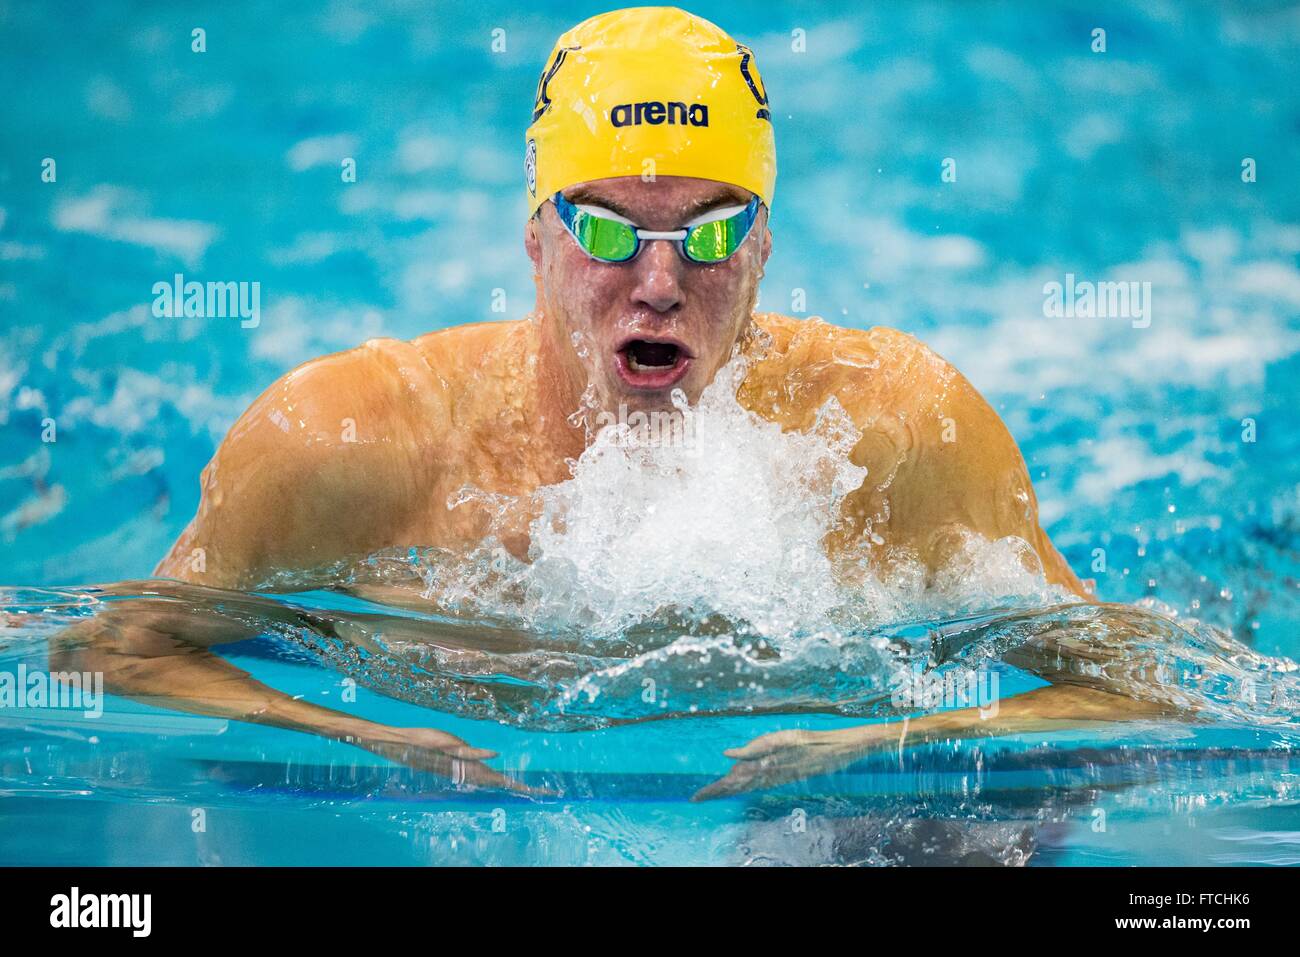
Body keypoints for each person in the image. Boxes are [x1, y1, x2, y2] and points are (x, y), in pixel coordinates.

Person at [52, 7, 1171, 800]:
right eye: (602, 230)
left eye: (712, 231)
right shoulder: (346, 443)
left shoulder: (900, 432)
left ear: (768, 245)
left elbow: (1137, 691)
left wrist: (895, 745)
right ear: (534, 240)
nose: (657, 281)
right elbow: (113, 653)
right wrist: (363, 741)